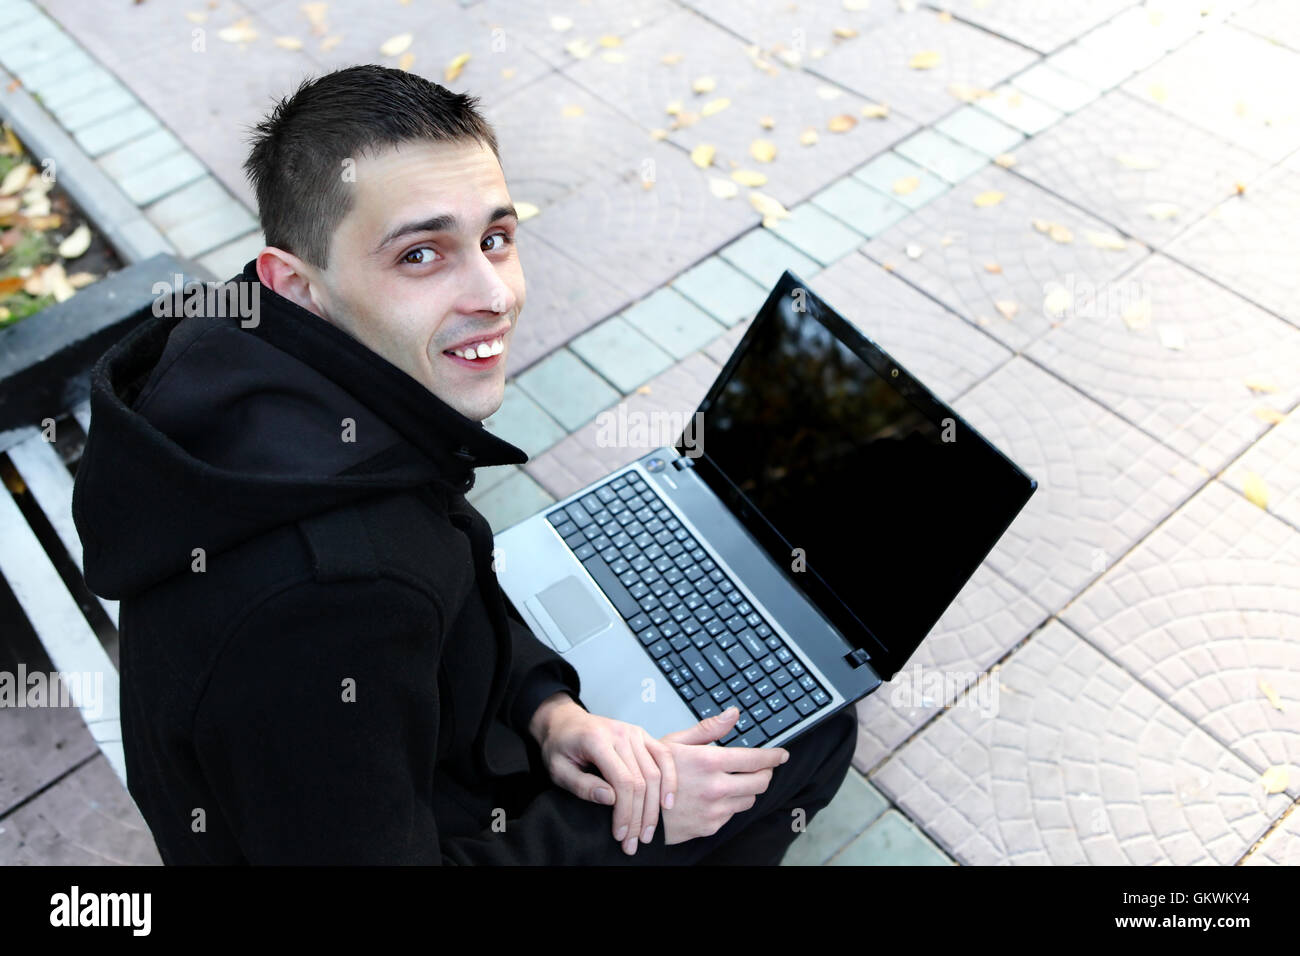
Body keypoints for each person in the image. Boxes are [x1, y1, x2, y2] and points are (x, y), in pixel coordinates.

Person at [71, 64, 858, 865]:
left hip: (405, 768)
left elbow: (448, 585)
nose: (495, 294)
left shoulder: (259, 367)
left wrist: (547, 710)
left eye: (495, 239)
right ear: (297, 283)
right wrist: (639, 822)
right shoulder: (329, 601)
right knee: (808, 740)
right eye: (422, 255)